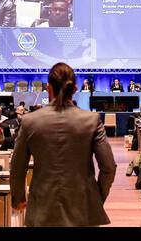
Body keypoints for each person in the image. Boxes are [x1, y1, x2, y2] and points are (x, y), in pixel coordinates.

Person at [10, 61, 116, 227]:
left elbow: (17, 167)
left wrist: (18, 198)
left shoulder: (29, 121)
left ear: (48, 88)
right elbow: (108, 167)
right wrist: (95, 198)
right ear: (74, 89)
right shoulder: (92, 120)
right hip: (82, 208)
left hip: (41, 208)